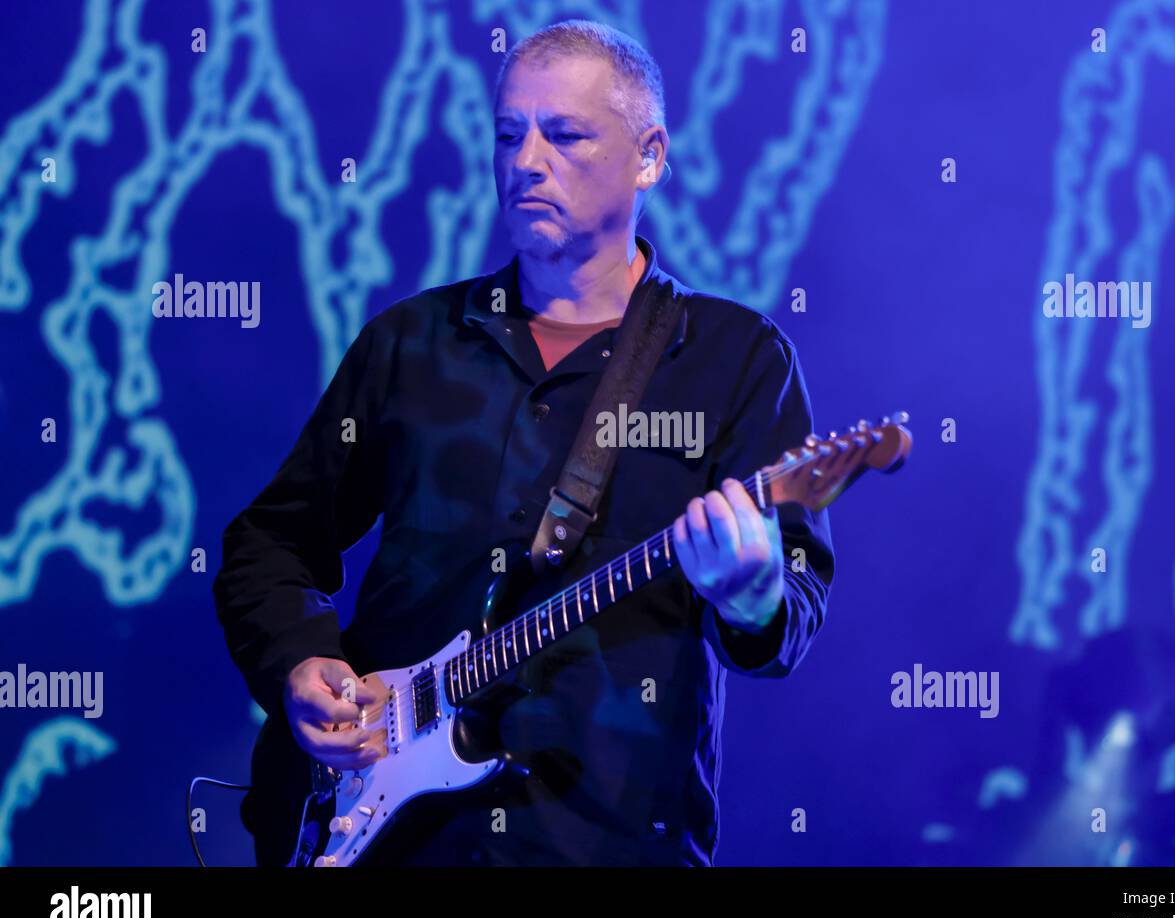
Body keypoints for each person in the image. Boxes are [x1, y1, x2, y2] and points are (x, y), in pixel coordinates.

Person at [213, 18, 834, 866]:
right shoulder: (410, 343)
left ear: (651, 155)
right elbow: (270, 541)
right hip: (395, 842)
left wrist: (752, 592)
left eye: (565, 134)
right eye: (510, 134)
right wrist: (298, 662)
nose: (526, 160)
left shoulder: (735, 361)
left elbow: (785, 616)